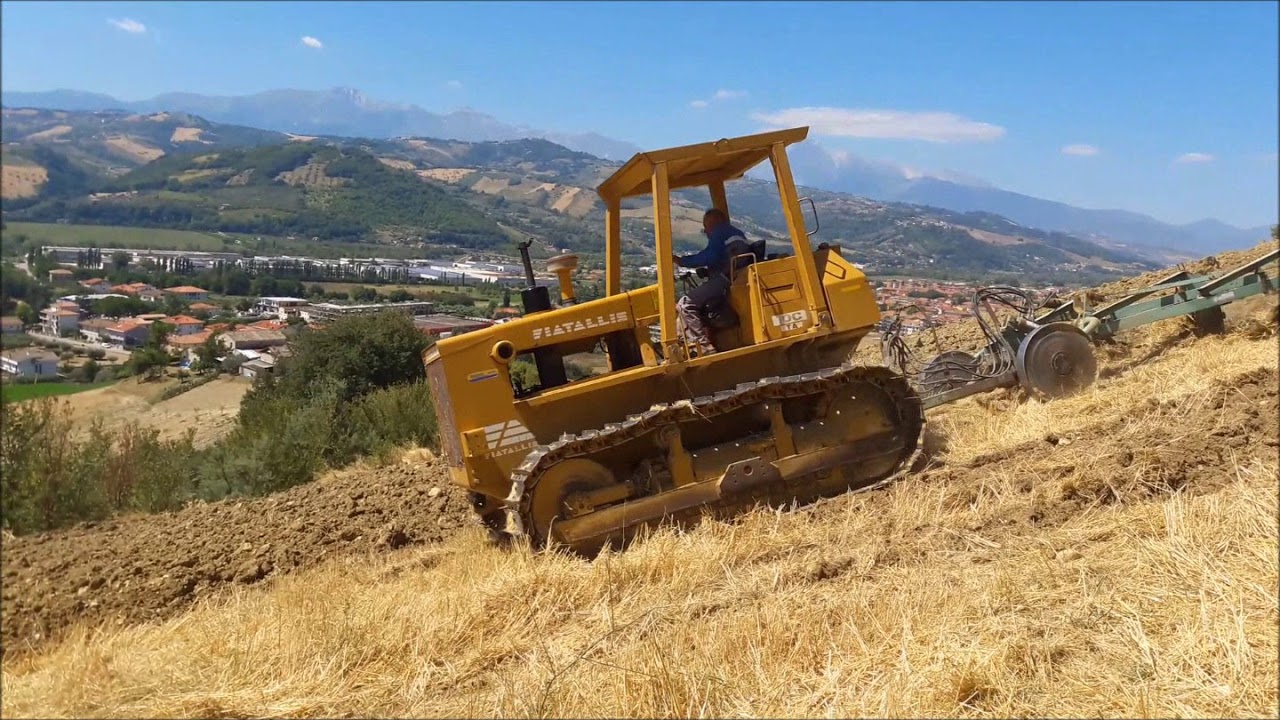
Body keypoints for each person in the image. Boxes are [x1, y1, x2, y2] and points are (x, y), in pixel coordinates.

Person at [672, 207, 746, 355]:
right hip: (735, 276)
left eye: (706, 227)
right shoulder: (736, 233)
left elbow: (708, 257)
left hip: (726, 279)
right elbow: (721, 257)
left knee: (685, 304)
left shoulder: (720, 232)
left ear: (715, 221)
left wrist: (681, 261)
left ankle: (703, 348)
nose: (706, 232)